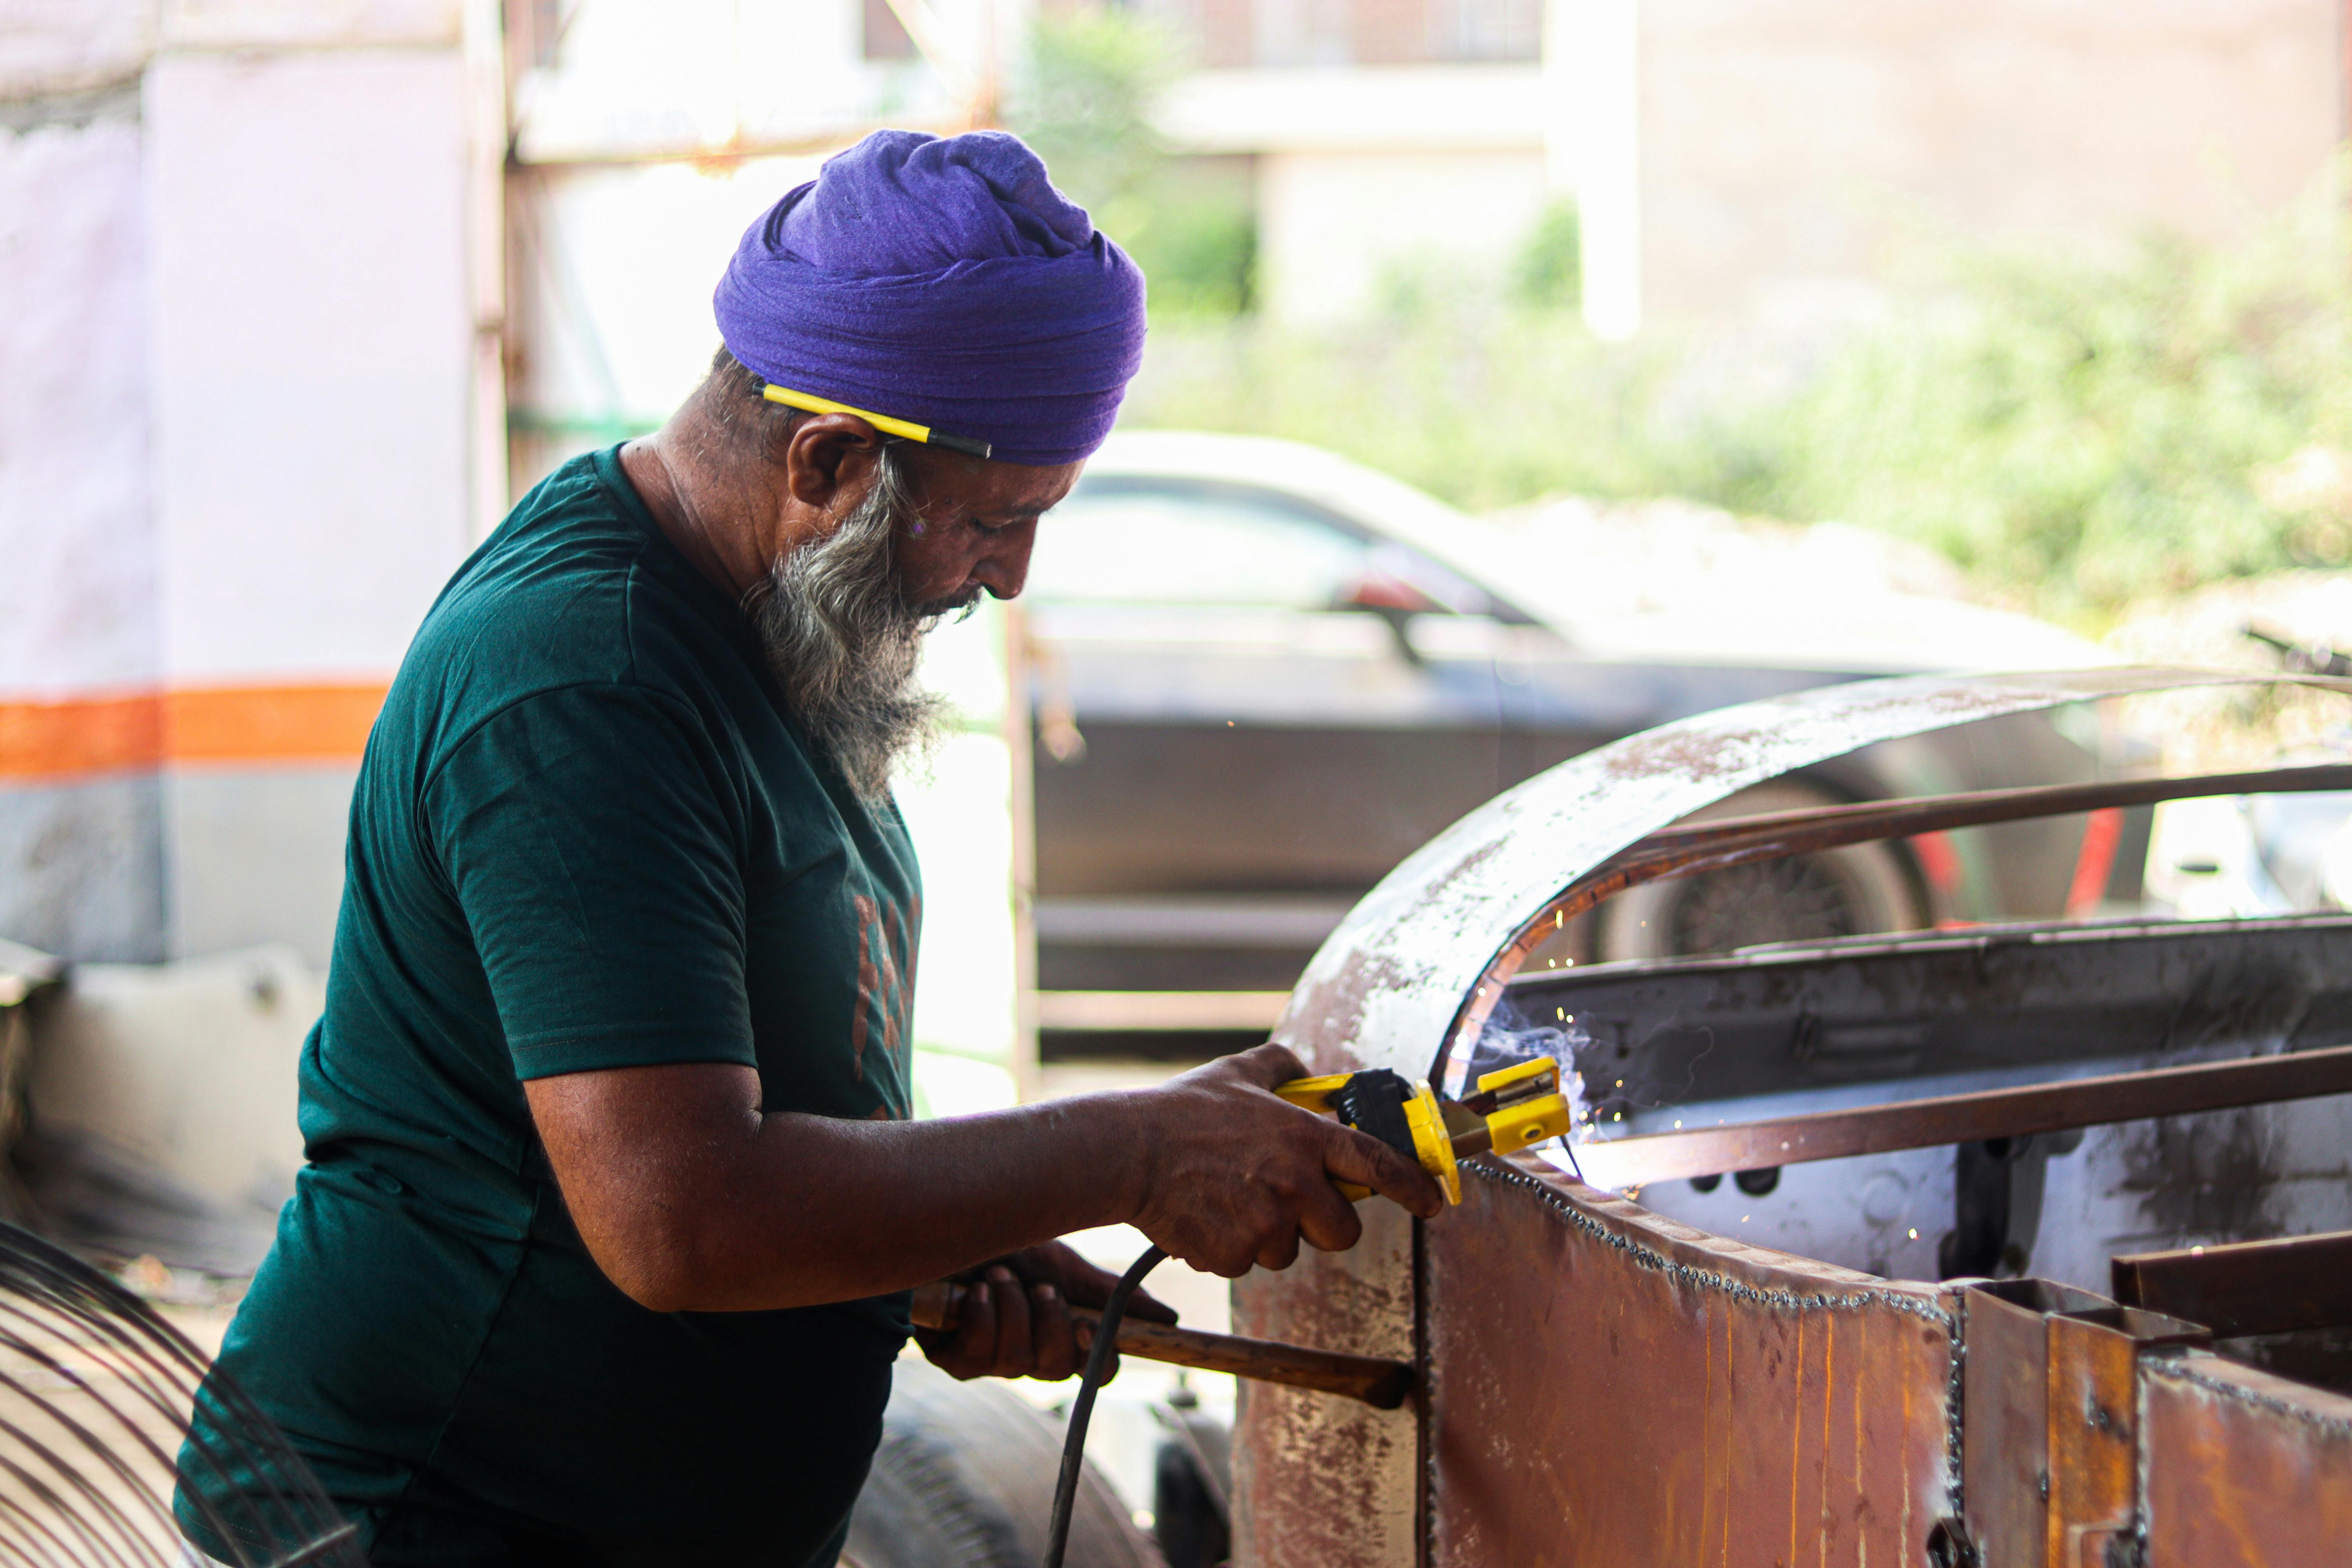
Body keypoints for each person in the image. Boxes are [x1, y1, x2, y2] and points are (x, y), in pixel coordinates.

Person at [175, 129, 1441, 1568]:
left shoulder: (767, 622)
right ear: (830, 461)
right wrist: (1134, 1149)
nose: (1013, 576)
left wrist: (930, 1238)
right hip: (431, 1514)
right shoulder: (582, 681)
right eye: (995, 521)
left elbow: (756, 1083)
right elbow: (681, 1218)